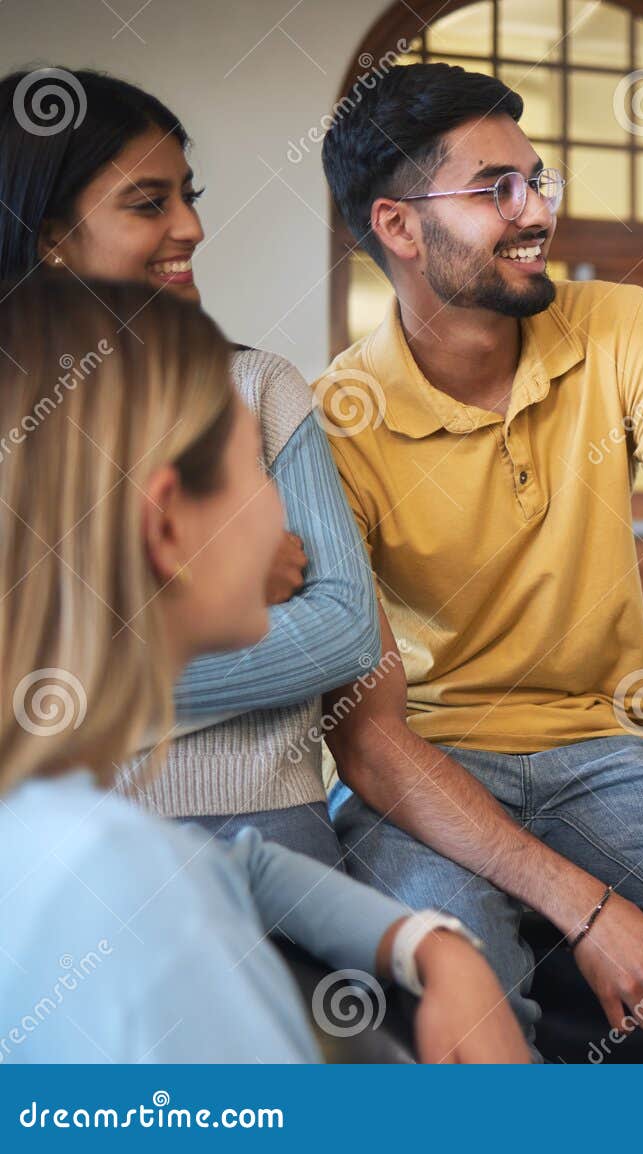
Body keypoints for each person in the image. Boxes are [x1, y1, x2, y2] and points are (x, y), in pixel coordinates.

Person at [311, 61, 643, 1062]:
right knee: (466, 976)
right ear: (398, 226)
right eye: (495, 189)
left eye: (537, 180)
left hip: (604, 746)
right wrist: (586, 909)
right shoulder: (335, 420)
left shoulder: (622, 325)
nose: (536, 210)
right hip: (428, 765)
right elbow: (368, 742)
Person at [0, 276, 527, 1063]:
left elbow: (227, 865)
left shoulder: (57, 827)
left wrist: (428, 942)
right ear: (169, 526)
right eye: (255, 470)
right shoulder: (148, 915)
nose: (286, 515)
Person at [0, 68, 381, 866]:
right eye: (149, 204)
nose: (194, 227)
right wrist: (221, 582)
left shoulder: (260, 386)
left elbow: (346, 636)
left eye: (189, 195)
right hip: (53, 840)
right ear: (52, 239)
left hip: (271, 824)